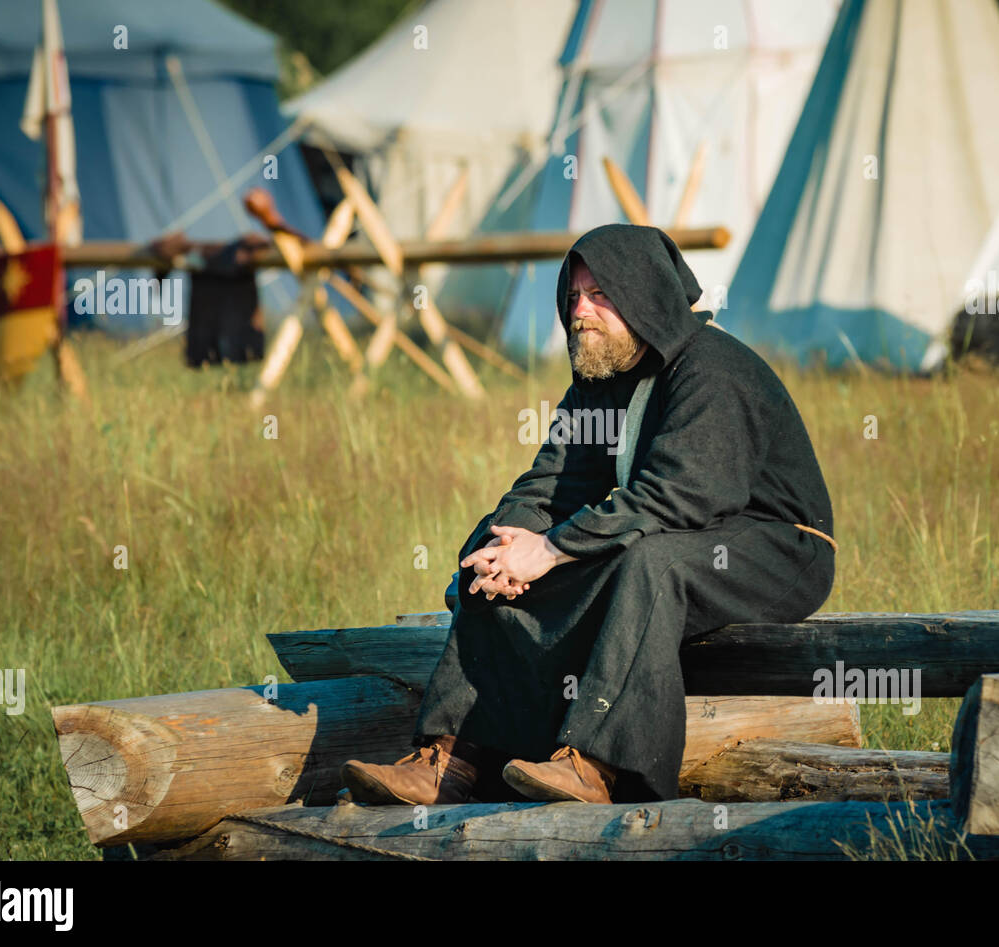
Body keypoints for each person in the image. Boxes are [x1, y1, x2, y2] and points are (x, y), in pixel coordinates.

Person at [341, 223, 835, 805]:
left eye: (601, 295)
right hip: (676, 533)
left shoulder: (713, 371)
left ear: (645, 297)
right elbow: (551, 483)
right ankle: (454, 760)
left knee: (649, 562)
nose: (582, 312)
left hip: (776, 547)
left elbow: (681, 496)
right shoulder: (600, 382)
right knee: (498, 551)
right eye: (574, 297)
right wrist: (504, 545)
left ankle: (597, 766)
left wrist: (550, 549)